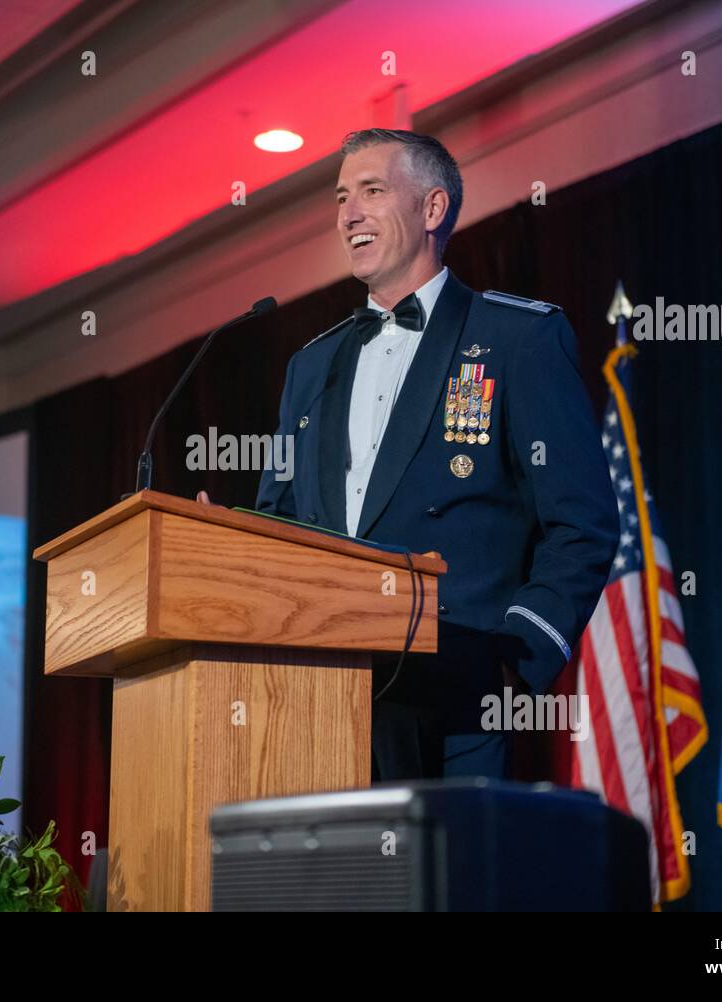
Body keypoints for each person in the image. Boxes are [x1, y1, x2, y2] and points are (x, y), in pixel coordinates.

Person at [241, 128, 618, 781]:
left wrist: (517, 654)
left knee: (447, 886)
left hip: (458, 709)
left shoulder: (517, 337)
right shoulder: (311, 367)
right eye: (340, 198)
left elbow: (582, 524)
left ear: (432, 209)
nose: (347, 214)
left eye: (371, 191)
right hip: (320, 703)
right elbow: (282, 527)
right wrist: (222, 543)